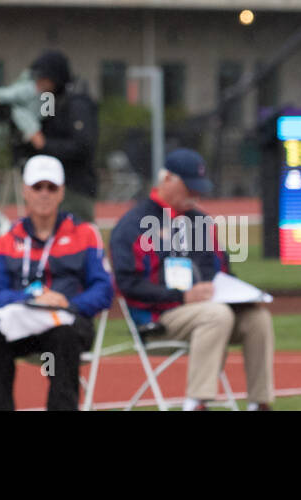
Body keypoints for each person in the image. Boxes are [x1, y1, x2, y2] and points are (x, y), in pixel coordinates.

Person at [110, 148, 274, 410]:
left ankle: (259, 402)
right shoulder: (133, 225)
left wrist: (239, 294)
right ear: (167, 181)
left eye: (199, 189)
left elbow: (222, 272)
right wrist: (182, 296)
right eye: (189, 188)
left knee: (258, 318)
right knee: (216, 315)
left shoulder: (201, 223)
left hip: (209, 313)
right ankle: (196, 402)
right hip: (157, 319)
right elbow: (128, 285)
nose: (195, 196)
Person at [0, 154, 113, 411]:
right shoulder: (8, 238)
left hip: (67, 322)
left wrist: (67, 304)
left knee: (64, 336)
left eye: (51, 187)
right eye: (37, 187)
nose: (44, 194)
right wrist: (30, 301)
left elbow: (104, 289)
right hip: (22, 323)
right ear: (25, 191)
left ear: (62, 192)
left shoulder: (85, 234)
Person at [14, 50, 99, 222]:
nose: (38, 83)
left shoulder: (77, 103)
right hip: (48, 184)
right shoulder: (49, 100)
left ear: (55, 77)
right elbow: (45, 129)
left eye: (43, 78)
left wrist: (43, 144)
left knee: (76, 239)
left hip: (74, 187)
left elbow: (82, 146)